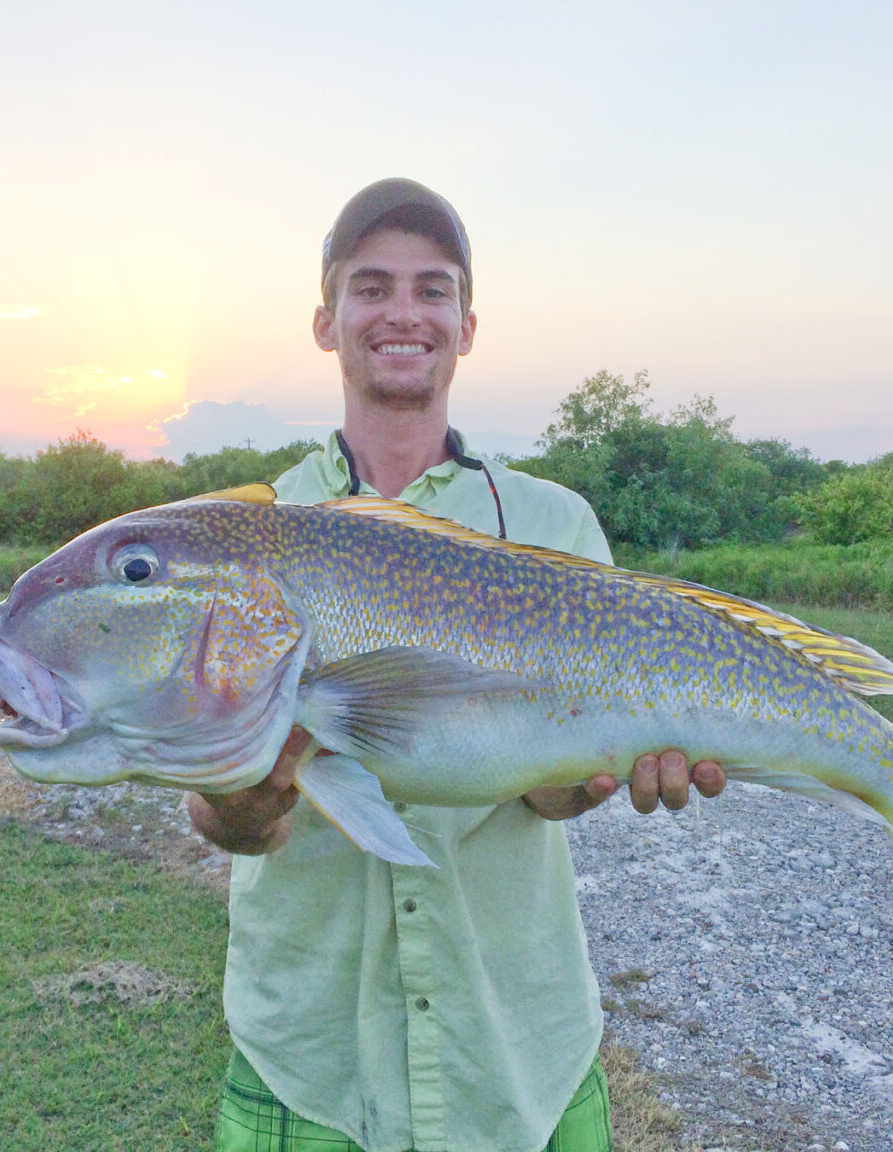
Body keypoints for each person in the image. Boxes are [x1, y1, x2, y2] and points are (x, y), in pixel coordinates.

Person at [187, 178, 727, 1152]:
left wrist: (603, 772)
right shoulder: (252, 535)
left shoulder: (555, 526)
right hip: (307, 1064)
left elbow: (549, 796)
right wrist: (246, 793)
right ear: (326, 320)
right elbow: (222, 819)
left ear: (467, 326)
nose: (403, 312)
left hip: (518, 1061)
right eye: (372, 287)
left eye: (433, 290)